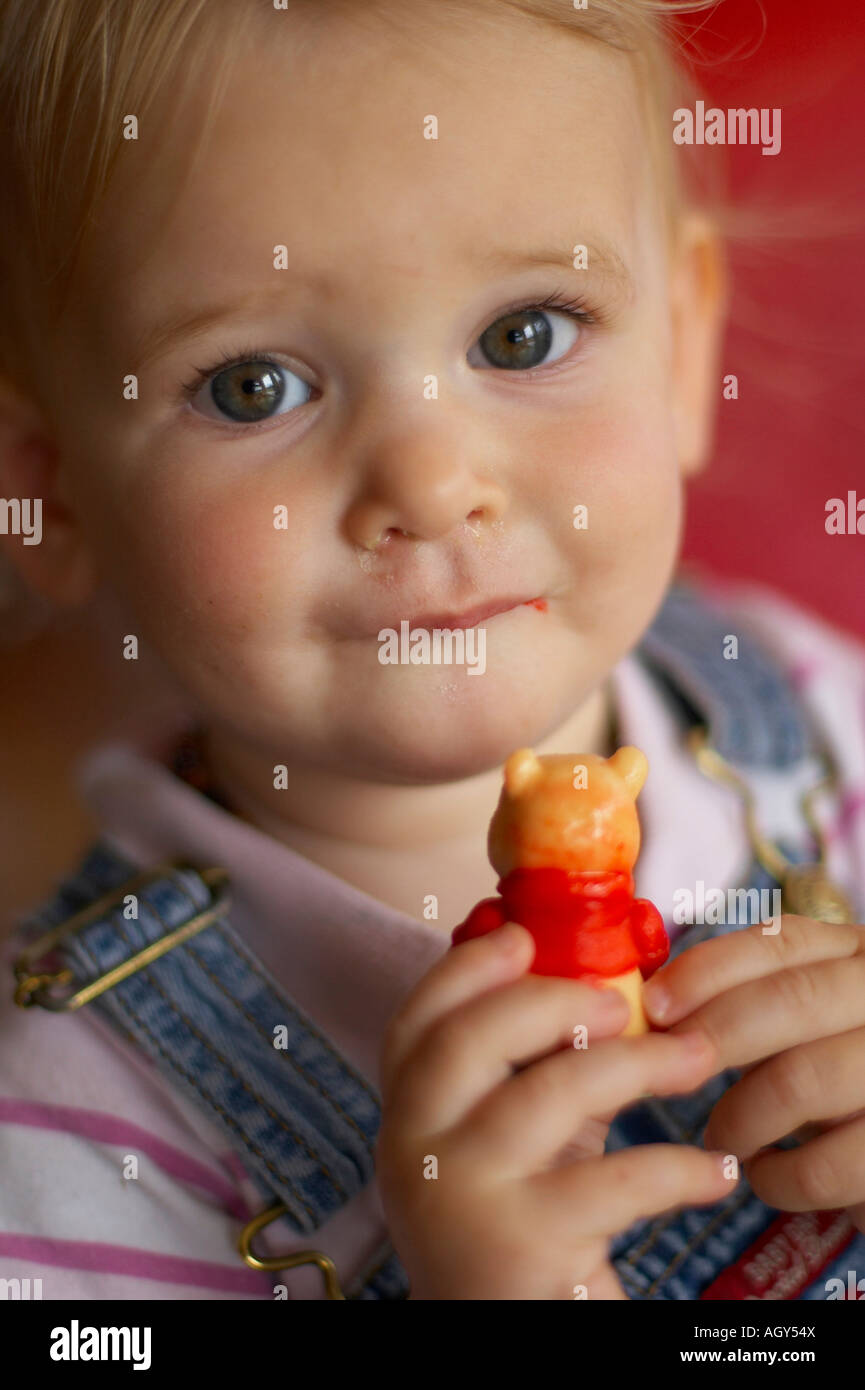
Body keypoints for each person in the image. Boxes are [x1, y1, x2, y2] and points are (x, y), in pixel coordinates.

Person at [1, 0, 864, 1301]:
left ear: (684, 346)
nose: (431, 478)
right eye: (254, 386)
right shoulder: (72, 1115)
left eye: (524, 333)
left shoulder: (804, 710)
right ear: (51, 493)